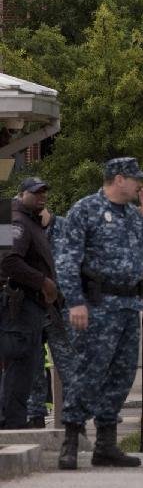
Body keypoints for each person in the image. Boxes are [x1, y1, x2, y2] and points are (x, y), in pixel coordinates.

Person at [56, 158, 143, 470]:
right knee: (88, 372)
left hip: (128, 306)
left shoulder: (136, 216)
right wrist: (75, 302)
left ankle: (106, 444)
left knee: (122, 375)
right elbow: (67, 260)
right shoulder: (85, 210)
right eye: (135, 179)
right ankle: (71, 439)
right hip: (95, 305)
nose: (140, 185)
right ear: (118, 179)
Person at [0, 178, 59, 430]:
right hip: (20, 308)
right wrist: (43, 282)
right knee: (20, 367)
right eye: (36, 193)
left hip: (24, 308)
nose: (41, 197)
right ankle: (12, 426)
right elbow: (8, 262)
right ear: (22, 194)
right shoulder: (18, 222)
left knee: (22, 368)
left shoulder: (17, 217)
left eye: (44, 192)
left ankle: (11, 423)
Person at [25, 208, 78, 429]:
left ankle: (75, 428)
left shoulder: (64, 227)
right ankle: (34, 421)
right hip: (27, 311)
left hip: (60, 310)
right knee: (29, 371)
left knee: (70, 369)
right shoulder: (12, 224)